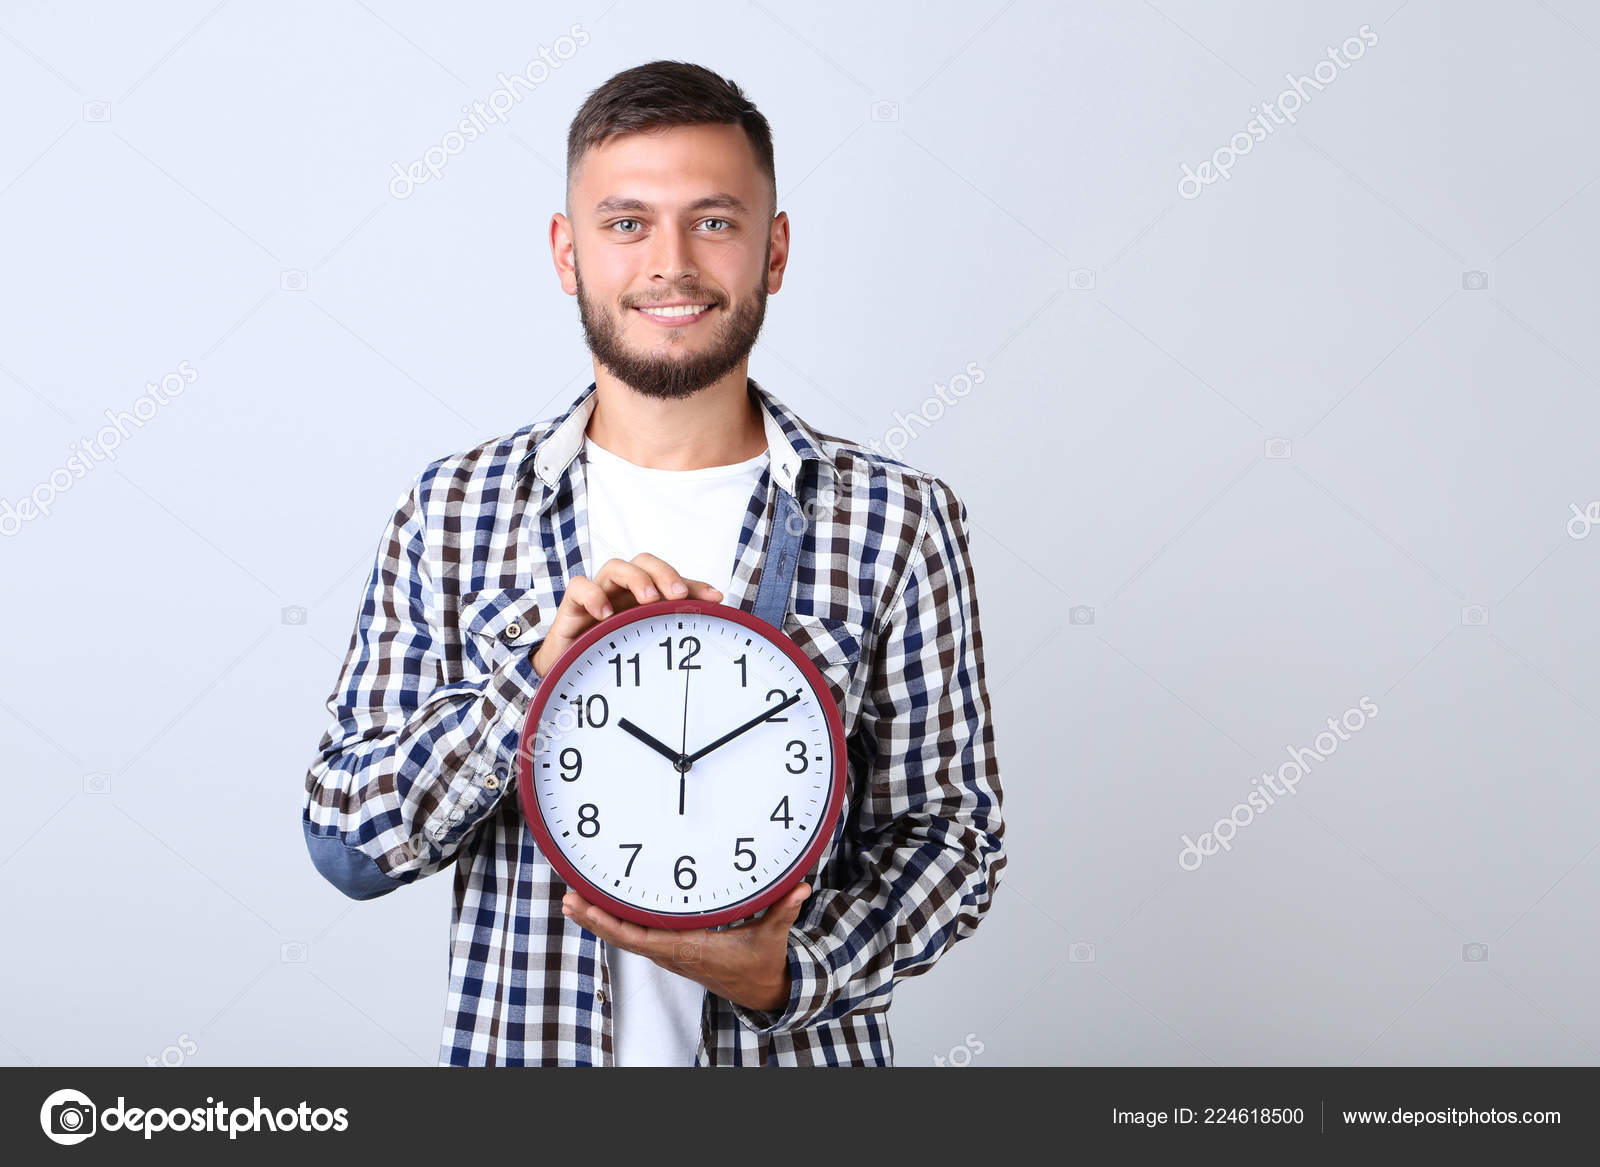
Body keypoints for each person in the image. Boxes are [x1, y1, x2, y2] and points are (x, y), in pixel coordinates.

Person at [301, 59, 1005, 1067]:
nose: (669, 262)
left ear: (774, 249)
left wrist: (785, 970)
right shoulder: (455, 510)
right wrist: (530, 688)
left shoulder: (897, 519)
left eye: (713, 221)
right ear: (566, 253)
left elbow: (951, 840)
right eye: (626, 223)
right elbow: (346, 843)